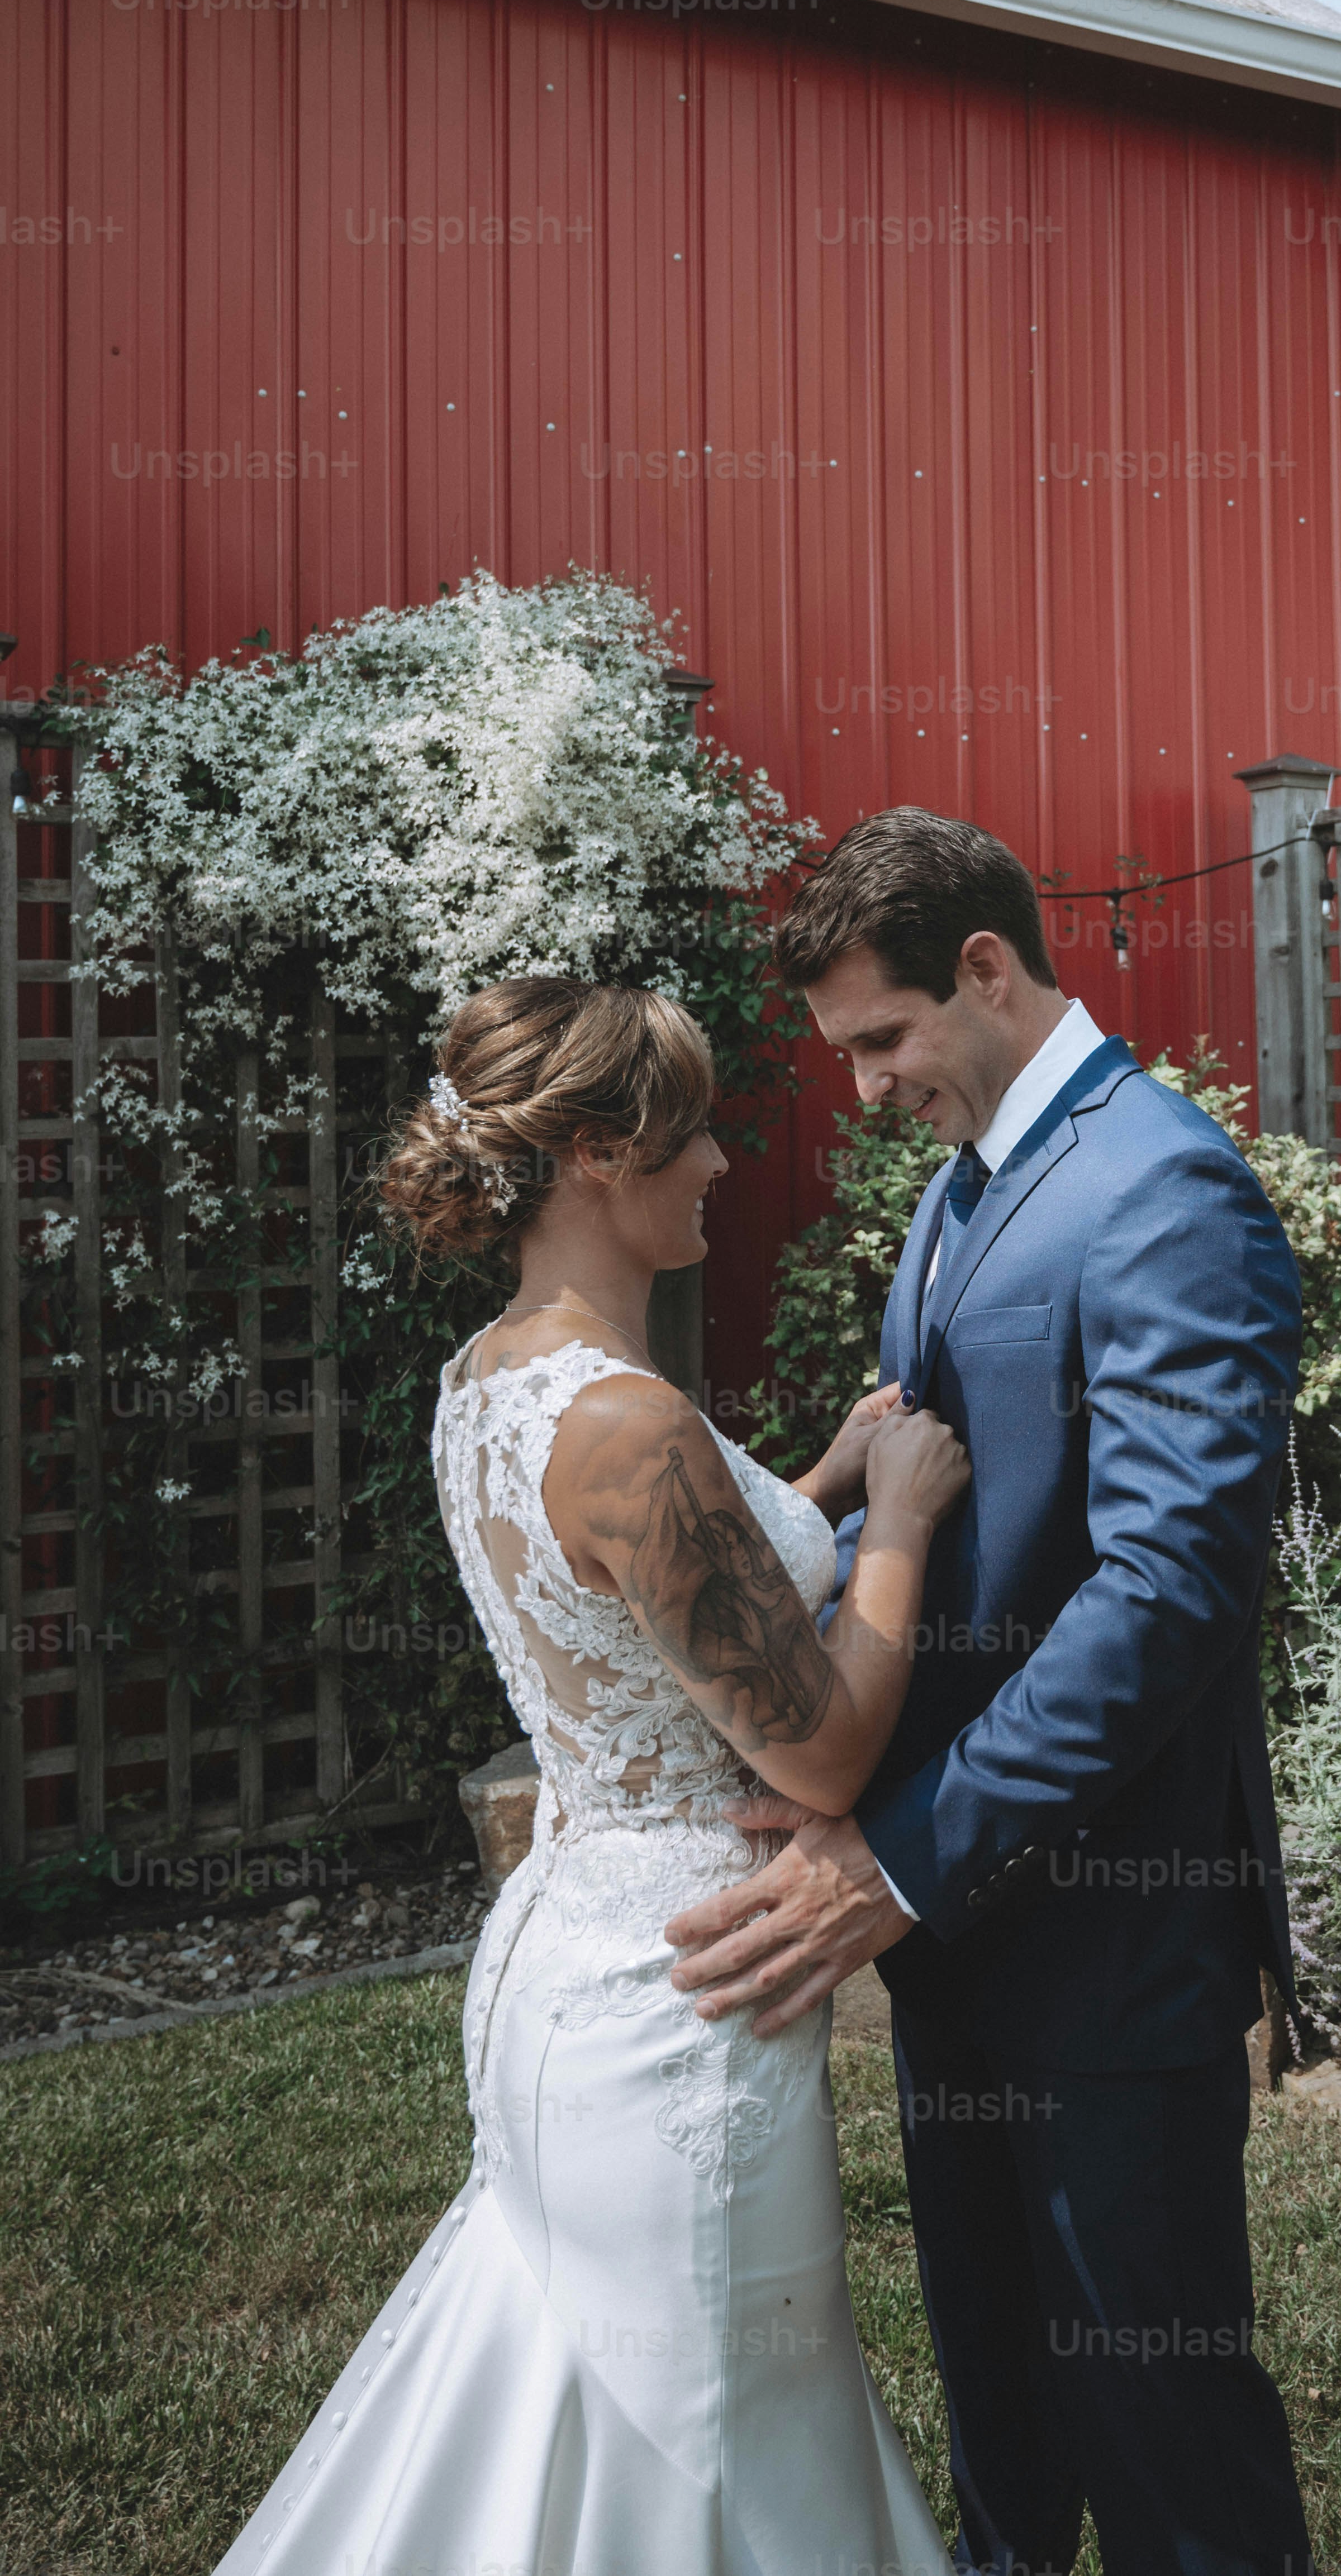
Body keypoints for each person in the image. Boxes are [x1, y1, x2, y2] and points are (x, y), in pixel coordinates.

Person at [215, 975, 966, 2576]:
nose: (717, 1165)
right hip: (682, 2007)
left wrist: (812, 1478)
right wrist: (895, 1517)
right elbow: (823, 1740)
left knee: (573, 2405)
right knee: (715, 2455)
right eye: (690, 1134)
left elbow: (634, 1606)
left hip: (565, 1954)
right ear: (593, 1158)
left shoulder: (492, 1378)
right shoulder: (628, 1430)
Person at [664, 810, 1317, 2576]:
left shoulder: (1165, 1187)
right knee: (1004, 2432)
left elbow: (1169, 1593)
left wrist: (897, 1856)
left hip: (1109, 1946)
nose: (865, 1089)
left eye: (882, 1041)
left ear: (986, 967)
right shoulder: (962, 1191)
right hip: (954, 1930)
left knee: (1171, 2453)